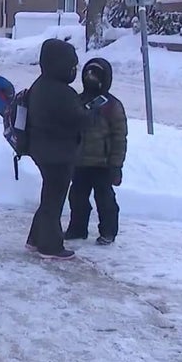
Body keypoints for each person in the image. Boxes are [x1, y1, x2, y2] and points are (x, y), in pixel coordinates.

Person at [25, 39, 89, 260]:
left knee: (48, 196)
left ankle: (35, 239)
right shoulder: (62, 92)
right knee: (54, 200)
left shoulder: (40, 85)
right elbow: (79, 120)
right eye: (72, 67)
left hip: (42, 150)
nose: (74, 71)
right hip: (58, 154)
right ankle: (50, 246)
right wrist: (91, 111)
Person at [66, 58, 128, 246]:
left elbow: (119, 137)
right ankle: (77, 229)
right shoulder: (78, 101)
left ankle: (108, 231)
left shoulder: (111, 106)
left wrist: (116, 165)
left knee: (105, 200)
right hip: (80, 162)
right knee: (77, 198)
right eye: (88, 75)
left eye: (95, 75)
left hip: (103, 164)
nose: (90, 79)